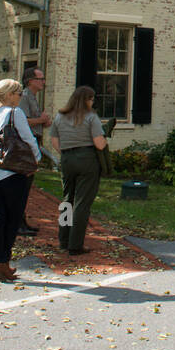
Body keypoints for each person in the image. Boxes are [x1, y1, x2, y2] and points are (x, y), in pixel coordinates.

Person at [0, 79, 42, 282]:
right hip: (13, 173)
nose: (20, 96)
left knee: (0, 218)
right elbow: (28, 139)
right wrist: (36, 159)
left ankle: (0, 262)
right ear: (8, 95)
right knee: (13, 219)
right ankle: (3, 262)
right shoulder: (15, 114)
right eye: (17, 93)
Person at [49, 85, 107, 256]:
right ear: (87, 100)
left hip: (67, 158)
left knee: (67, 200)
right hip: (87, 159)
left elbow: (54, 140)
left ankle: (64, 240)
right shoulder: (91, 117)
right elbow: (99, 143)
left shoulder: (60, 116)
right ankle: (75, 244)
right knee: (82, 203)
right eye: (91, 99)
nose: (92, 102)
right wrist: (105, 139)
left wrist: (66, 152)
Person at [17, 67, 52, 235]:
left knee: (27, 183)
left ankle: (21, 220)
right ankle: (18, 223)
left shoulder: (33, 97)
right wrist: (40, 120)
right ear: (31, 81)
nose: (43, 82)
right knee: (23, 183)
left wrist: (43, 122)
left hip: (33, 141)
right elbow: (21, 121)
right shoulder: (24, 97)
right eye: (41, 78)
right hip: (26, 144)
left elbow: (34, 121)